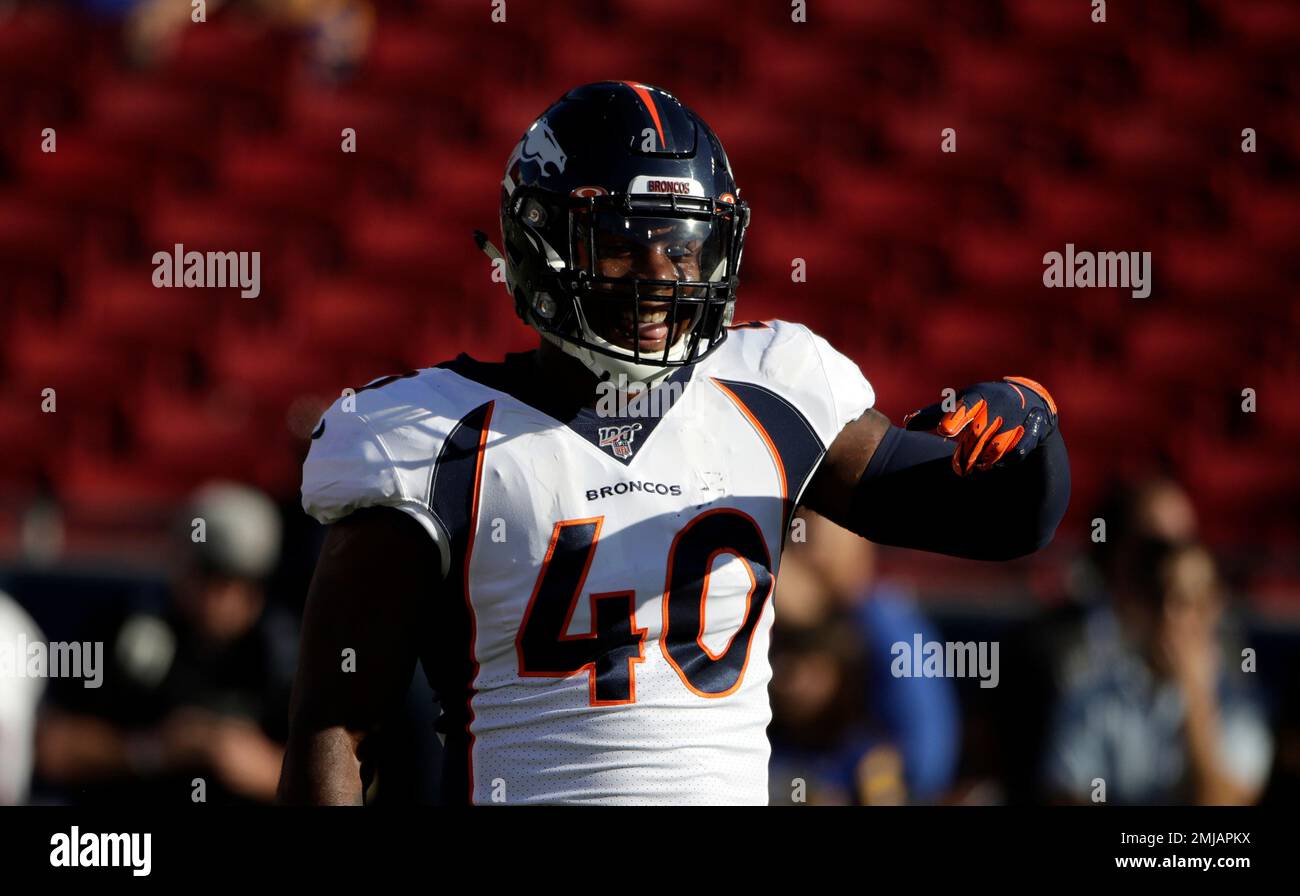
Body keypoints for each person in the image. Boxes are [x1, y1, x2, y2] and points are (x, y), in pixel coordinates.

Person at [279, 81, 1071, 805]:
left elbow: (1004, 524)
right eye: (623, 245)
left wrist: (1031, 425)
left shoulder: (770, 393)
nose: (660, 277)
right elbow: (335, 731)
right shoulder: (433, 440)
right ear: (539, 249)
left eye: (682, 248)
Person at [37, 482, 296, 804]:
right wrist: (154, 750)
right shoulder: (127, 629)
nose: (222, 598)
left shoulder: (286, 655)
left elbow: (355, 781)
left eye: (241, 581)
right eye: (208, 574)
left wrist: (259, 766)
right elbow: (53, 749)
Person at [1043, 538, 1272, 804]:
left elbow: (1221, 804)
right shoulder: (1092, 697)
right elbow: (1065, 795)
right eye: (1158, 596)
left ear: (1214, 607)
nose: (1170, 615)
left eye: (1187, 600)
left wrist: (1197, 696)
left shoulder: (1242, 706)